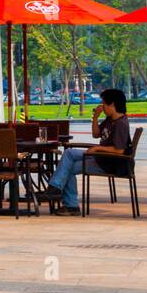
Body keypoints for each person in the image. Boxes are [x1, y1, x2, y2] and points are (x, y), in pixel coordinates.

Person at [38, 87, 132, 215]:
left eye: (104, 103)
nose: (102, 106)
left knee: (68, 168)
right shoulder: (111, 120)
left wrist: (98, 148)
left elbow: (119, 151)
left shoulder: (121, 124)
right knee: (69, 153)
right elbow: (96, 134)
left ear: (112, 104)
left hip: (109, 163)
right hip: (100, 157)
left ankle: (68, 203)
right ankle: (55, 189)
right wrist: (95, 118)